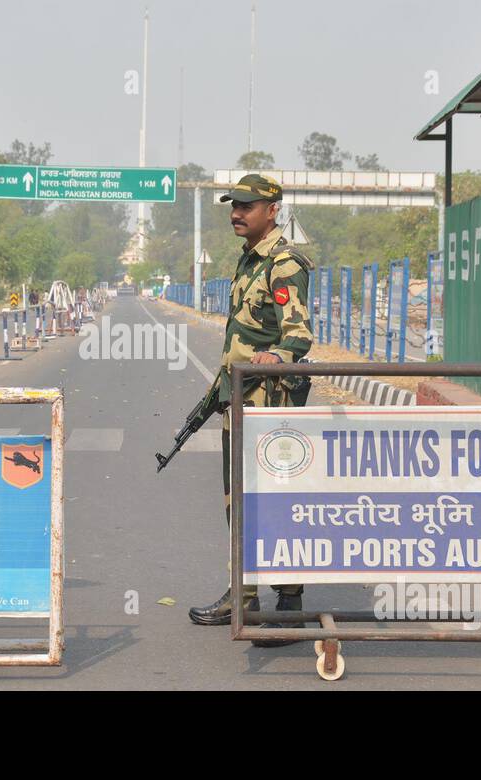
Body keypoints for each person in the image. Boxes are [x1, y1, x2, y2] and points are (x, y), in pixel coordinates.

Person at [187, 174, 314, 647]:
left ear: (272, 210)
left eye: (246, 206)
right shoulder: (250, 261)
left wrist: (274, 357)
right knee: (237, 502)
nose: (236, 213)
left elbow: (297, 336)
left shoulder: (284, 264)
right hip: (239, 401)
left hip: (270, 406)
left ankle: (290, 603)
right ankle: (244, 596)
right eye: (233, 205)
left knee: (276, 503)